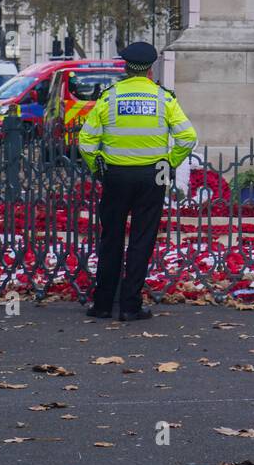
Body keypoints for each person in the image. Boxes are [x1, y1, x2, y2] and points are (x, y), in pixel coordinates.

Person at [77, 42, 196, 321]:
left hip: (116, 176)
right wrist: (169, 161)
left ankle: (103, 304)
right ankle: (130, 306)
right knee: (142, 240)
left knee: (111, 239)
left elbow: (86, 140)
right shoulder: (164, 99)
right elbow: (187, 137)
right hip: (152, 176)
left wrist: (98, 167)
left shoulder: (109, 98)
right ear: (150, 70)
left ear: (125, 68)